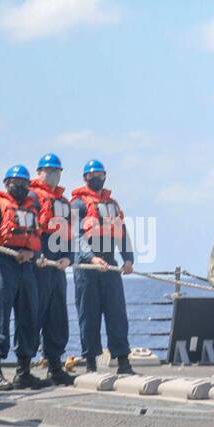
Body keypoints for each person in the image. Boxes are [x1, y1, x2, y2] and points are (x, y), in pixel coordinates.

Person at [0, 166, 43, 392]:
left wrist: (32, 254)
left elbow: (37, 238)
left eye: (25, 183)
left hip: (26, 267)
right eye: (16, 182)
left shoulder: (32, 210)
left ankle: (24, 371)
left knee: (29, 316)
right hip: (2, 265)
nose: (21, 187)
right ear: (7, 183)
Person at [71, 160, 134, 374]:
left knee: (117, 313)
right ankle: (91, 363)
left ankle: (123, 361)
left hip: (110, 265)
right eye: (92, 175)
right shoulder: (78, 204)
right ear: (85, 178)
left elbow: (121, 232)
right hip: (87, 269)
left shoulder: (112, 205)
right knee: (89, 315)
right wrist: (90, 258)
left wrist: (128, 259)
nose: (97, 178)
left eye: (100, 174)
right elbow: (74, 235)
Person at [30, 153, 76, 386]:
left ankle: (55, 363)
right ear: (39, 172)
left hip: (58, 267)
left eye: (57, 171)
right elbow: (28, 227)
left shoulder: (64, 203)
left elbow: (69, 234)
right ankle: (23, 366)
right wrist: (36, 255)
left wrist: (69, 258)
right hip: (38, 266)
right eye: (49, 171)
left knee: (57, 315)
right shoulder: (32, 197)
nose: (54, 175)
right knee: (33, 313)